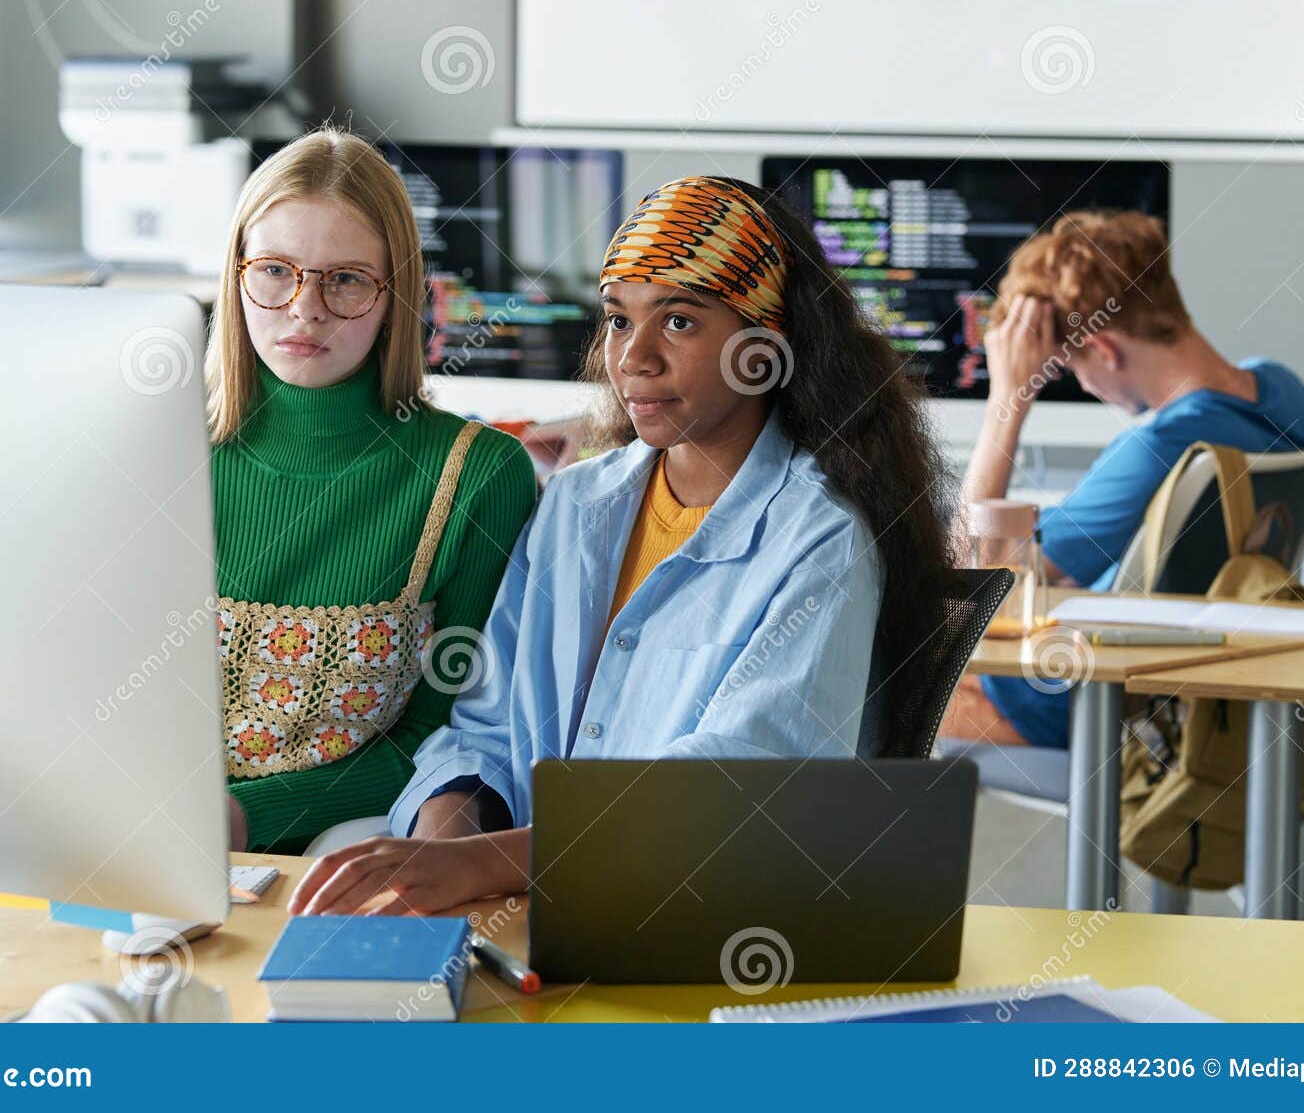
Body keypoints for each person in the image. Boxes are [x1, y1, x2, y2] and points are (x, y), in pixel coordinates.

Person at [288, 174, 953, 916]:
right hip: (532, 915)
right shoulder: (577, 503)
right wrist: (443, 849)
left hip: (701, 928)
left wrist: (485, 864)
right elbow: (484, 726)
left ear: (767, 344)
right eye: (616, 320)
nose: (634, 357)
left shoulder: (819, 540)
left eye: (678, 322)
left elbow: (735, 795)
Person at [209, 128, 536, 853]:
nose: (305, 308)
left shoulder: (479, 477)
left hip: (339, 849)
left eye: (347, 279)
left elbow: (447, 735)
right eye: (274, 270)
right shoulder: (147, 444)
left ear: (398, 296)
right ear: (234, 274)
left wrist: (242, 816)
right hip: (132, 843)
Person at [941, 210, 1304, 749]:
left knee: (879, 680)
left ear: (1105, 349)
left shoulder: (1162, 447)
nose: (1084, 383)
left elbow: (970, 585)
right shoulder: (1284, 390)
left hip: (1080, 700)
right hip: (1172, 684)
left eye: (1073, 369)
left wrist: (1008, 400)